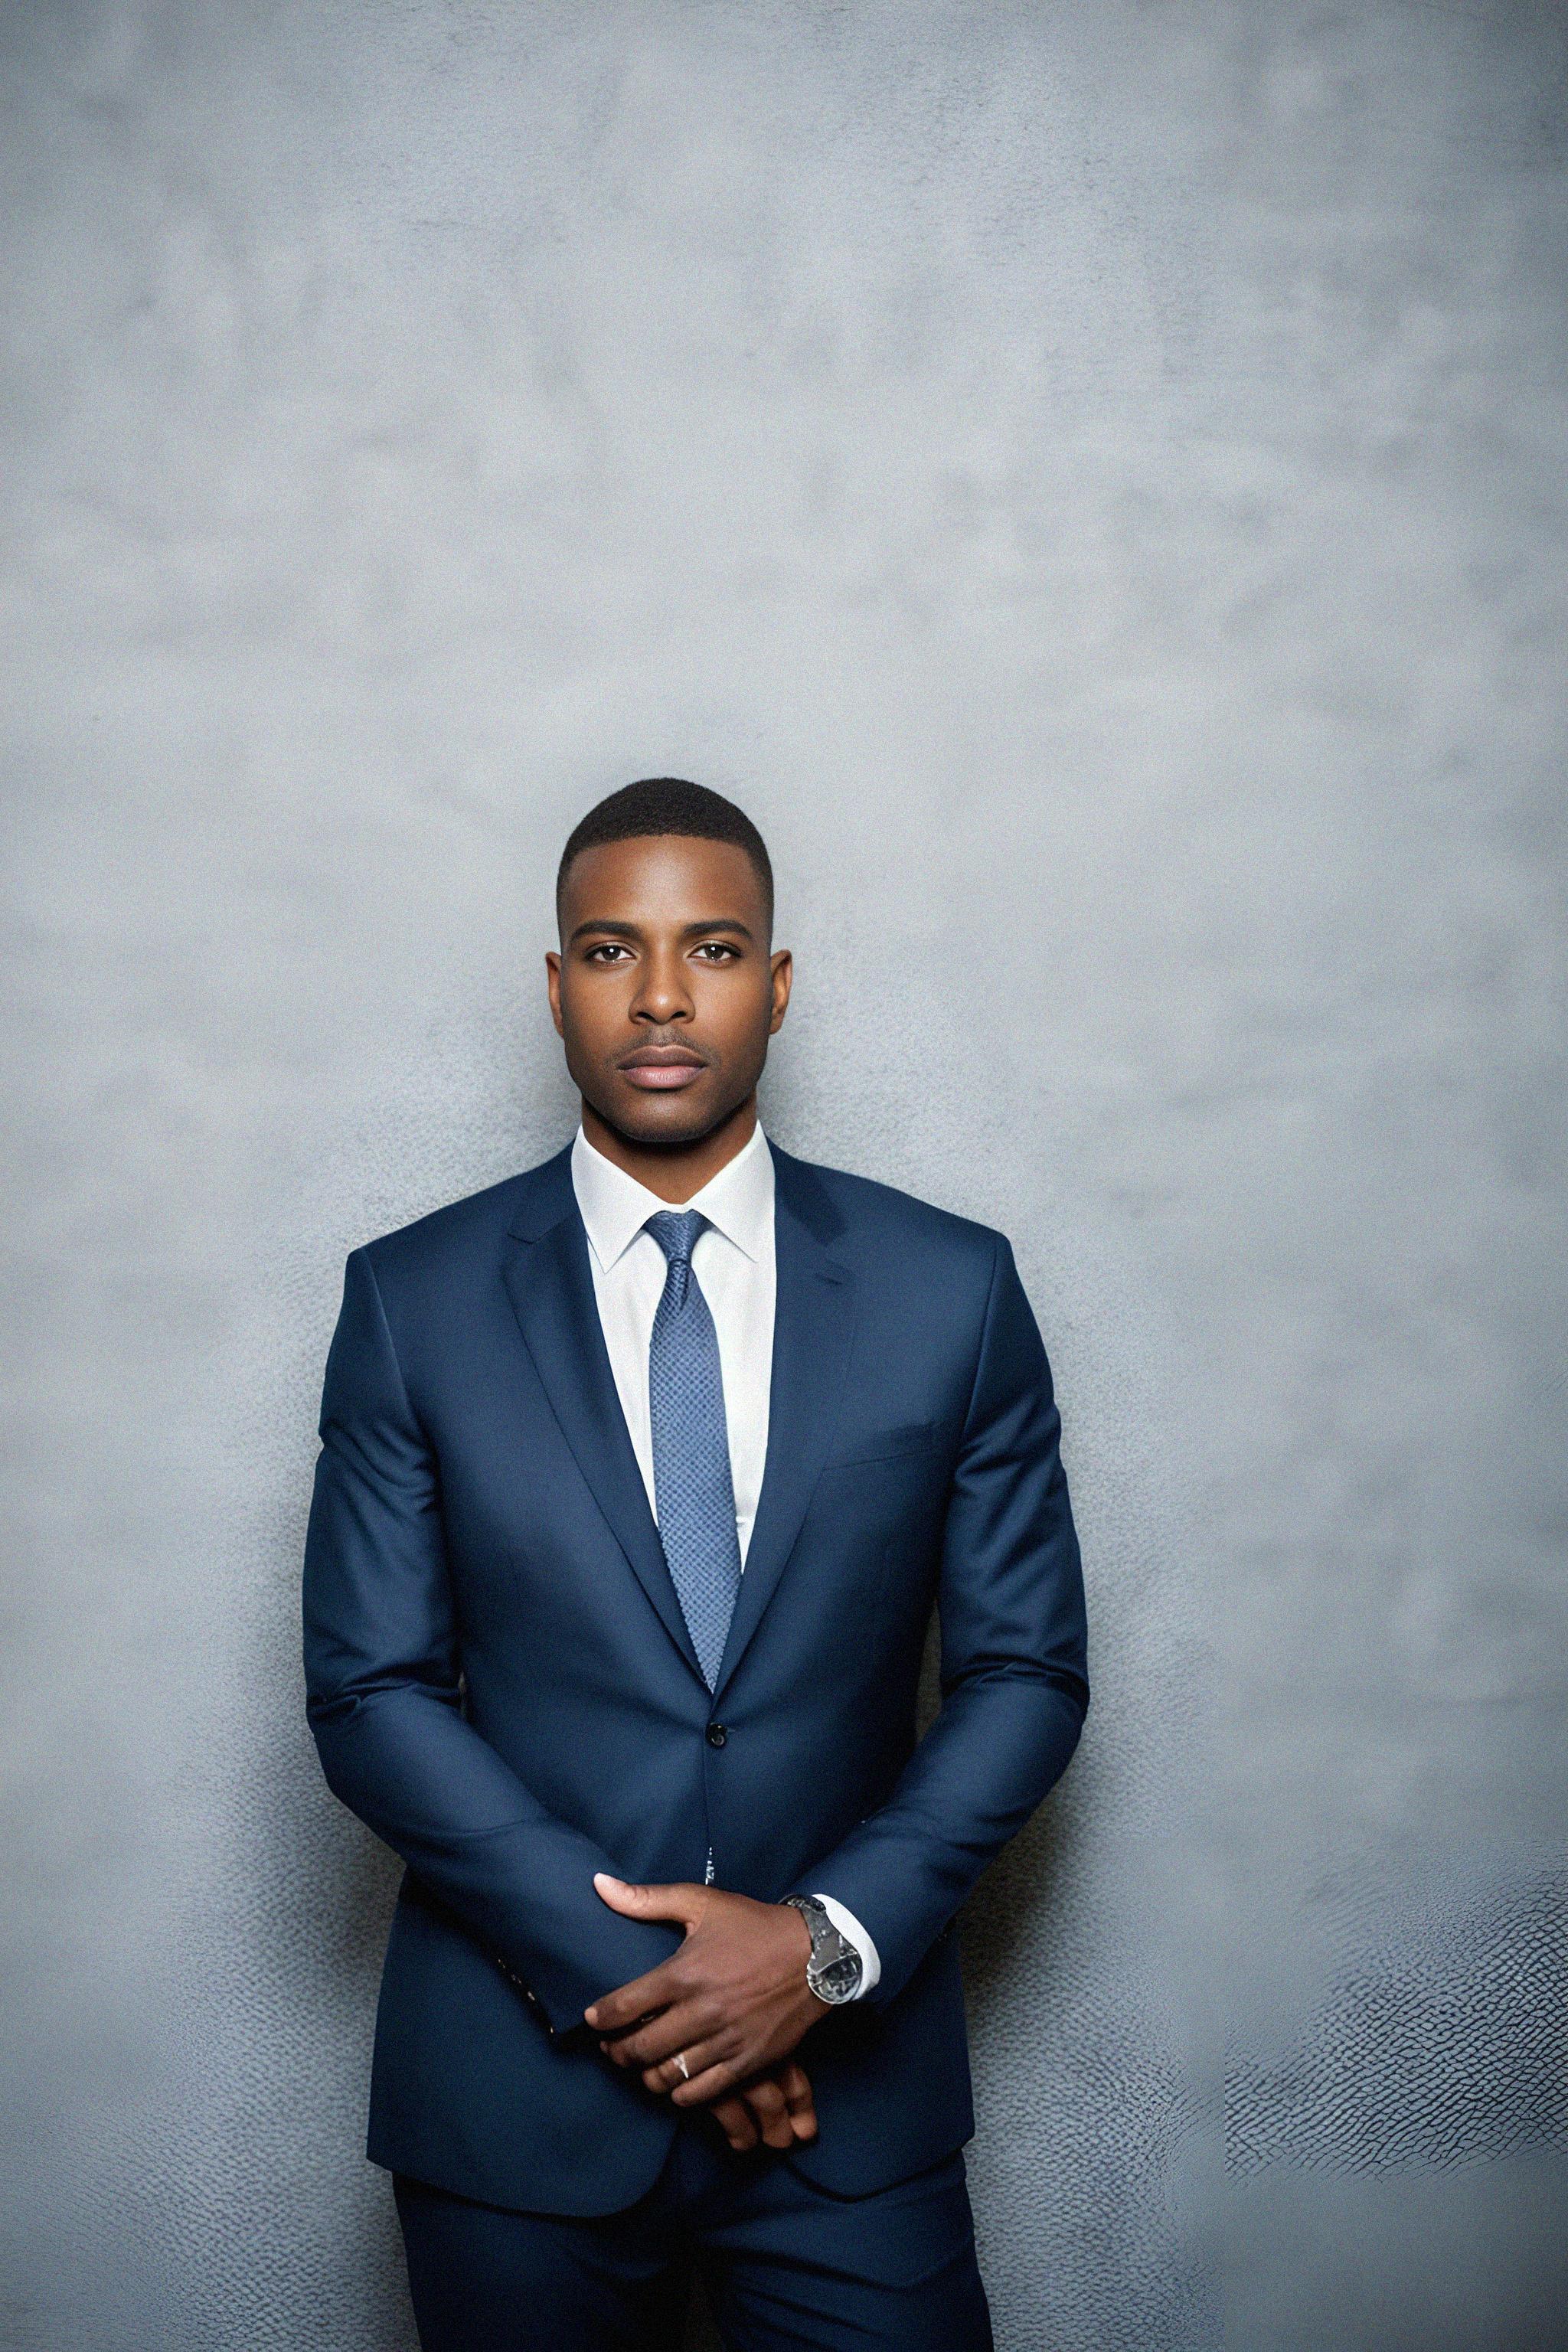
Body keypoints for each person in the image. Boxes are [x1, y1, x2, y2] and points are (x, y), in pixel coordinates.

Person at [302, 777, 1089, 2350]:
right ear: (554, 987)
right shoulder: (412, 1299)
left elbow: (1023, 1675)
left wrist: (815, 1949)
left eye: (713, 948)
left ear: (777, 984)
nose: (662, 997)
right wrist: (672, 1996)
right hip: (514, 2108)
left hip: (852, 2118)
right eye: (610, 950)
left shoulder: (954, 1290)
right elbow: (373, 1691)